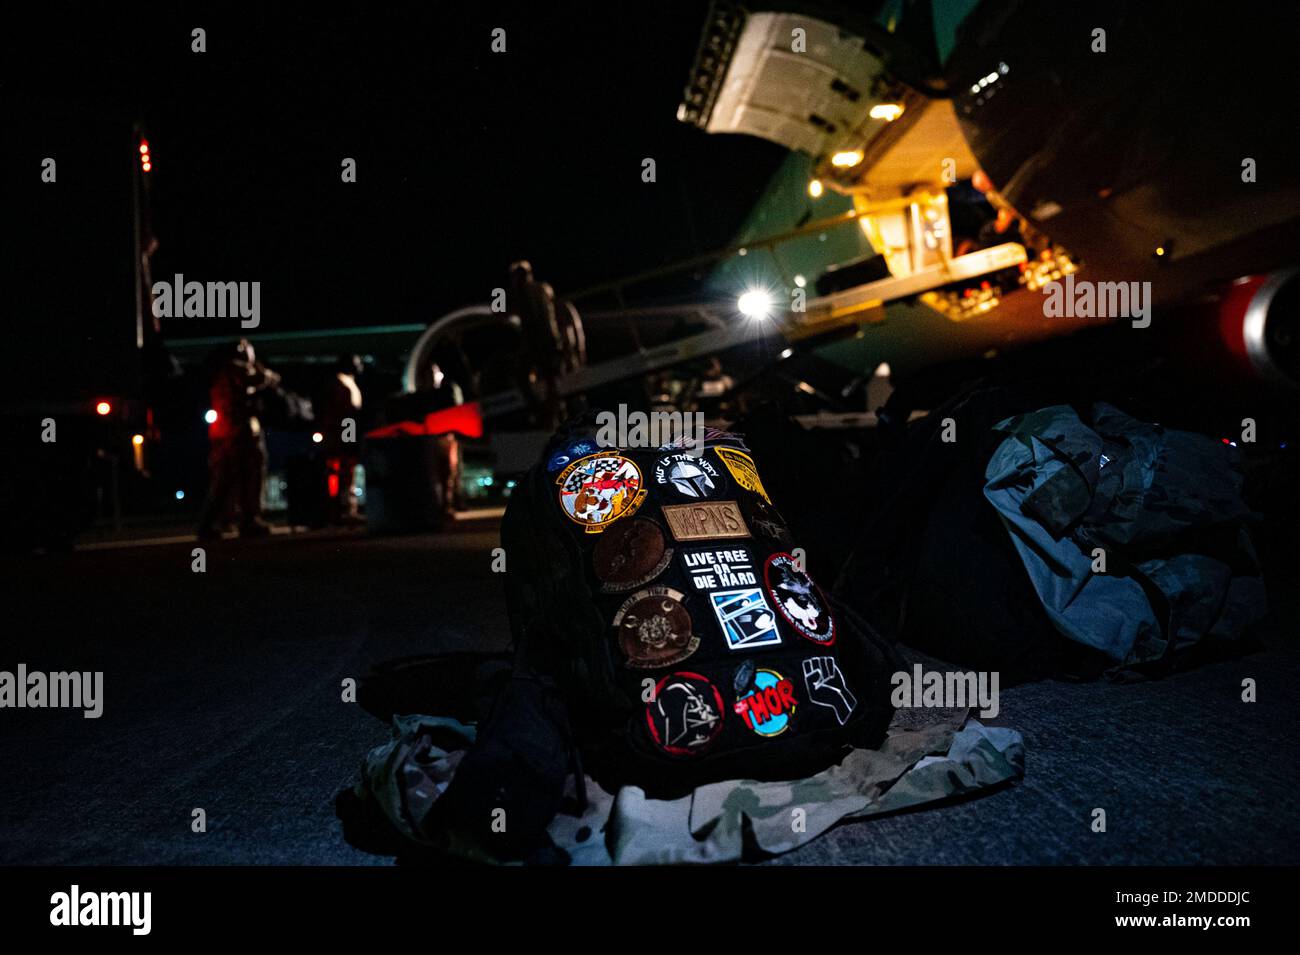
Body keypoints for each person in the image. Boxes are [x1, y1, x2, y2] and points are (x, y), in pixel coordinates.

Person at [197, 339, 279, 540]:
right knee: (245, 476)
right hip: (238, 432)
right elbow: (265, 378)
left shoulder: (223, 372)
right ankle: (247, 520)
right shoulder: (236, 369)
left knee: (229, 478)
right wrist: (259, 367)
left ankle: (220, 522)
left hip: (228, 432)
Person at [319, 355, 365, 523]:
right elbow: (346, 415)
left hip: (341, 435)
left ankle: (341, 510)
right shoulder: (342, 384)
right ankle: (343, 510)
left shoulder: (344, 383)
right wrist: (348, 439)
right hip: (342, 436)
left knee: (342, 474)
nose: (360, 366)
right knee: (344, 473)